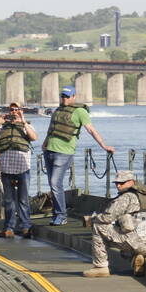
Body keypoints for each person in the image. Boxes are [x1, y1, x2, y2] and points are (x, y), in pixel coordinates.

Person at [43, 86, 115, 225]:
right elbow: (51, 128)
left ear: (74, 97)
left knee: (55, 183)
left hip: (64, 153)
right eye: (62, 96)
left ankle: (61, 215)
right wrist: (45, 143)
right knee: (53, 185)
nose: (64, 98)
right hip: (49, 151)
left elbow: (91, 130)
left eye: (67, 96)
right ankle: (57, 213)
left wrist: (104, 146)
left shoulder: (80, 111)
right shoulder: (58, 109)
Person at [83, 170, 146, 278]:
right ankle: (137, 257)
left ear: (132, 182)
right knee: (125, 241)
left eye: (122, 183)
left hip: (136, 242)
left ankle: (100, 267)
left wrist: (92, 219)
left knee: (98, 226)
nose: (118, 185)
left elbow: (107, 217)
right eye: (116, 183)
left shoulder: (126, 197)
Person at [0, 103, 37, 238]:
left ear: (21, 111)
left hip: (22, 168)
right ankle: (9, 228)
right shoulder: (2, 127)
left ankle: (25, 226)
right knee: (9, 201)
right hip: (6, 167)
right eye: (11, 110)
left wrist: (23, 121)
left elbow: (34, 137)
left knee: (23, 199)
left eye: (16, 110)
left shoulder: (26, 125)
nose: (14, 112)